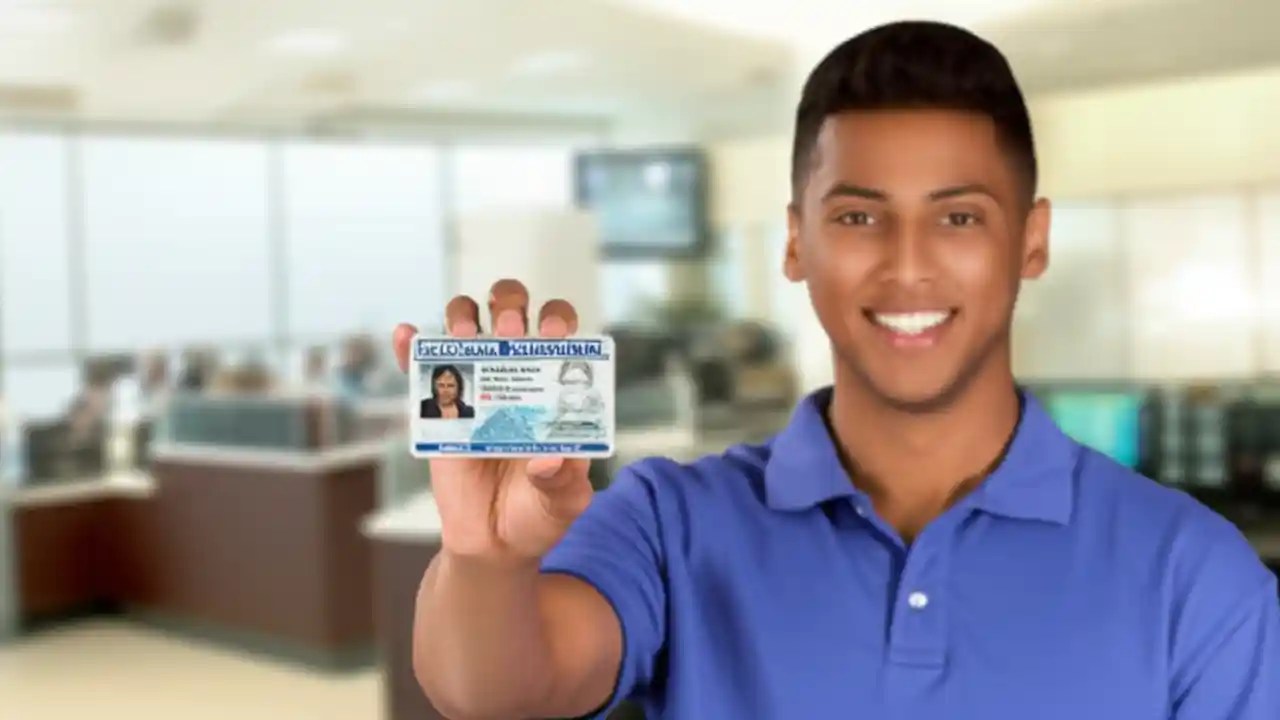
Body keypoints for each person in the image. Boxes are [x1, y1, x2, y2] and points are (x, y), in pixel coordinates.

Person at [391, 21, 1279, 720]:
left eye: (959, 218)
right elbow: (499, 690)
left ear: (1032, 241)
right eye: (858, 218)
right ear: (794, 241)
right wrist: (487, 563)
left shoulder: (1196, 573)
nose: (907, 265)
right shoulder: (670, 522)